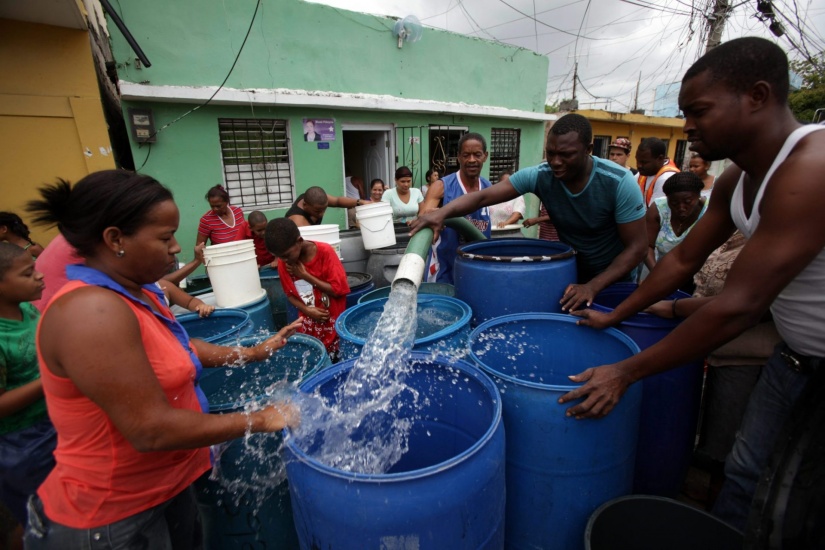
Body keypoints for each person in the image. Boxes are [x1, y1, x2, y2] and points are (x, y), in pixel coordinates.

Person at [562, 37, 825, 532]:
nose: (688, 126)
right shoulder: (737, 180)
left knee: (797, 500)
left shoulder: (811, 170)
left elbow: (739, 306)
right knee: (745, 473)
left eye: (699, 110)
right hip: (794, 356)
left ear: (758, 95)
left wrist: (625, 372)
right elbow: (682, 259)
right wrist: (619, 314)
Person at [23, 170, 301, 548]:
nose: (175, 248)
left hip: (167, 489)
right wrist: (262, 418)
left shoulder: (139, 291)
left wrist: (251, 352)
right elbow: (150, 429)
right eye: (165, 237)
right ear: (115, 239)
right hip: (113, 518)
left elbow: (179, 348)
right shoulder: (90, 313)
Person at [412, 114, 647, 310]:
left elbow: (638, 247)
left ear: (588, 149)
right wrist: (440, 213)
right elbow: (483, 197)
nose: (555, 162)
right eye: (551, 153)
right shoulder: (541, 175)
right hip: (572, 273)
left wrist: (593, 286)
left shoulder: (618, 182)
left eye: (566, 155)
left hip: (615, 281)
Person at [644, 231, 780, 507]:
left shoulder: (781, 236)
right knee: (716, 429)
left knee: (736, 448)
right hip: (717, 346)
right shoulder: (737, 229)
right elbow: (682, 259)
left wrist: (673, 308)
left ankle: (719, 506)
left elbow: (752, 303)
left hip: (749, 355)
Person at [0, 243, 55, 548]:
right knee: (39, 517)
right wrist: (51, 378)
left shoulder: (25, 309)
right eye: (27, 273)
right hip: (19, 444)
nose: (40, 276)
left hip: (52, 423)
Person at [266, 217, 350, 360]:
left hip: (334, 329)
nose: (283, 260)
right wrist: (307, 310)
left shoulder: (325, 252)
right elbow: (290, 294)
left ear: (299, 241)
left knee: (336, 360)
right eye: (279, 257)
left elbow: (339, 290)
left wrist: (304, 275)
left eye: (286, 255)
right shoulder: (284, 261)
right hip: (309, 330)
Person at [417, 133, 493, 284]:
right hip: (444, 268)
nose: (471, 160)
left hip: (476, 267)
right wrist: (429, 215)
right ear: (458, 157)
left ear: (485, 156)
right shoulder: (442, 186)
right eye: (466, 155)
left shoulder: (488, 188)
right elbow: (424, 219)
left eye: (477, 155)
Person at [641, 172, 708, 287]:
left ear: (698, 195)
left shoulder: (709, 213)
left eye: (687, 202)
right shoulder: (659, 208)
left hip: (697, 278)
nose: (681, 207)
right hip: (662, 272)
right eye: (674, 203)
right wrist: (657, 273)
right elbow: (647, 246)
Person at [286, 186, 367, 227]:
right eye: (317, 211)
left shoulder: (315, 198)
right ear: (305, 205)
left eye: (324, 209)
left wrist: (361, 202)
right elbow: (310, 243)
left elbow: (337, 201)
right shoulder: (298, 220)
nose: (322, 214)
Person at [635, 137, 680, 206]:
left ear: (660, 158)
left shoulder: (666, 178)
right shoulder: (643, 173)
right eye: (637, 160)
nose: (639, 165)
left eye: (644, 162)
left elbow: (655, 214)